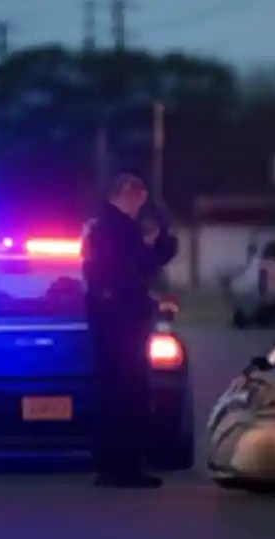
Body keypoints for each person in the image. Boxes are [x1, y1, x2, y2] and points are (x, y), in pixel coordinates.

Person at [83, 173, 173, 488]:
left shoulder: (104, 227)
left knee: (113, 396)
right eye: (139, 198)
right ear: (127, 193)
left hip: (111, 323)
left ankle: (112, 465)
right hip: (122, 324)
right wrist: (160, 243)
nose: (139, 206)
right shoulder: (116, 228)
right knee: (130, 395)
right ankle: (126, 467)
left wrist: (158, 244)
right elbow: (136, 269)